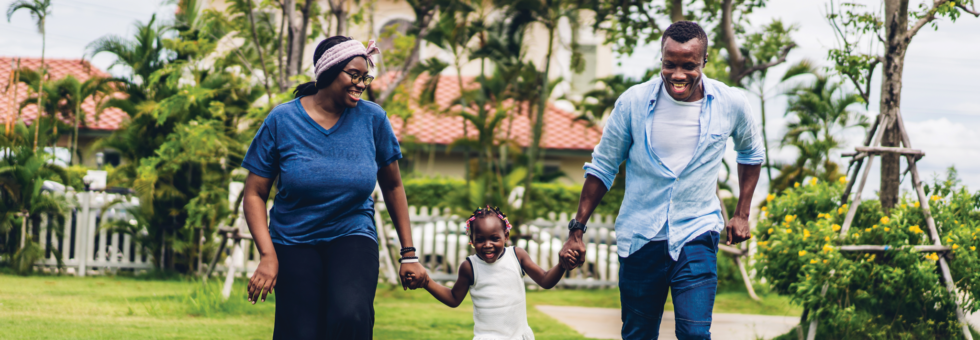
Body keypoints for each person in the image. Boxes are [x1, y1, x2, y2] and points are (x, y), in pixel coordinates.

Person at [559, 21, 765, 340]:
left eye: (689, 65)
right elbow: (602, 167)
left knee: (696, 335)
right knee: (638, 334)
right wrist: (577, 231)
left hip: (697, 232)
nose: (678, 74)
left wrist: (741, 214)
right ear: (661, 60)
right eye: (670, 64)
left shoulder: (731, 103)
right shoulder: (633, 103)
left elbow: (751, 154)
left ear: (704, 62)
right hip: (641, 237)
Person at [240, 36, 428, 340]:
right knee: (301, 332)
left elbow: (393, 186)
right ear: (328, 72)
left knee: (351, 315)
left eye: (365, 76)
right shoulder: (282, 119)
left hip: (352, 233)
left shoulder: (373, 119)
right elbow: (255, 193)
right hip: (293, 239)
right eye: (354, 74)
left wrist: (409, 253)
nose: (361, 83)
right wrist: (267, 254)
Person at [420, 206, 572, 340]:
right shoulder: (469, 267)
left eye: (494, 238)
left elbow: (545, 280)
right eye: (480, 240)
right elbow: (454, 299)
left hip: (518, 336)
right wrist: (426, 282)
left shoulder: (517, 256)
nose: (487, 245)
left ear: (506, 236)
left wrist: (561, 265)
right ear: (471, 240)